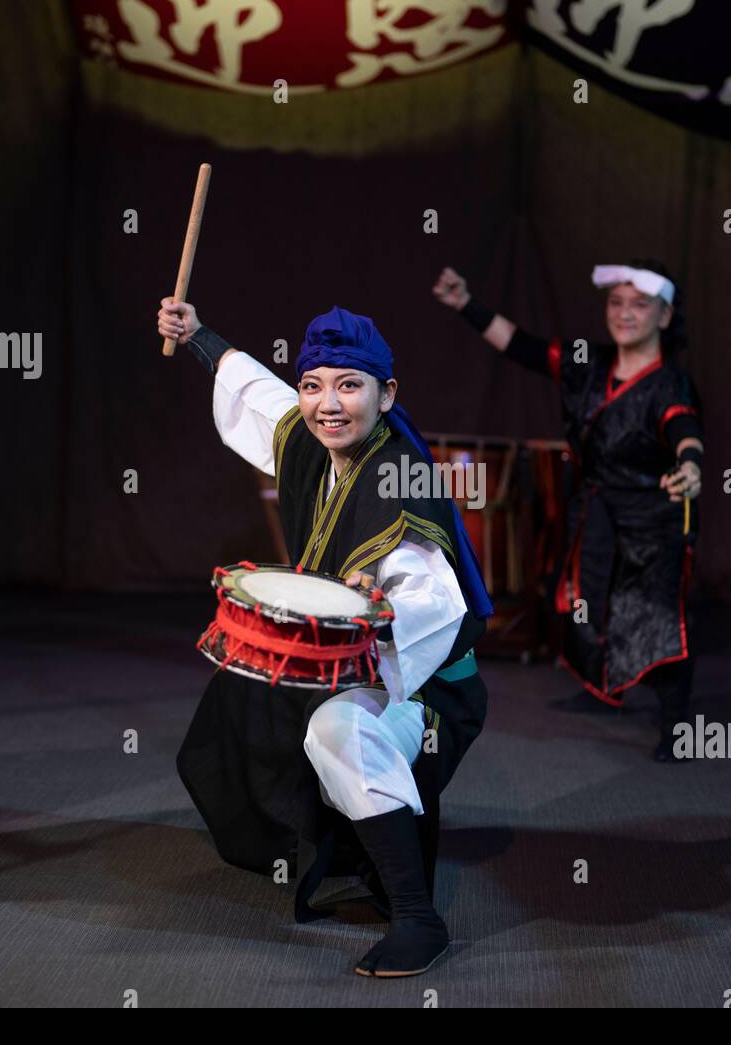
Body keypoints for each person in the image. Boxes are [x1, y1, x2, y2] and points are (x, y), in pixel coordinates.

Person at [158, 295, 492, 976]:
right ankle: (321, 844)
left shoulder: (401, 474)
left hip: (427, 691)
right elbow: (259, 395)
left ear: (386, 392)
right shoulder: (314, 440)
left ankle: (418, 917)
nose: (326, 403)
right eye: (315, 385)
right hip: (358, 664)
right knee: (245, 682)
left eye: (349, 385)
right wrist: (199, 336)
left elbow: (430, 597)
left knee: (336, 731)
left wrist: (384, 606)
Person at [432, 260, 702, 762]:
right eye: (616, 303)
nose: (625, 314)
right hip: (598, 511)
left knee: (653, 616)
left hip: (654, 517)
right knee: (583, 603)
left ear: (664, 317)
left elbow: (684, 429)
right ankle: (604, 687)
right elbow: (524, 347)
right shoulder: (589, 363)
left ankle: (677, 723)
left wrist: (691, 463)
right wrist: (465, 303)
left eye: (639, 305)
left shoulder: (670, 384)